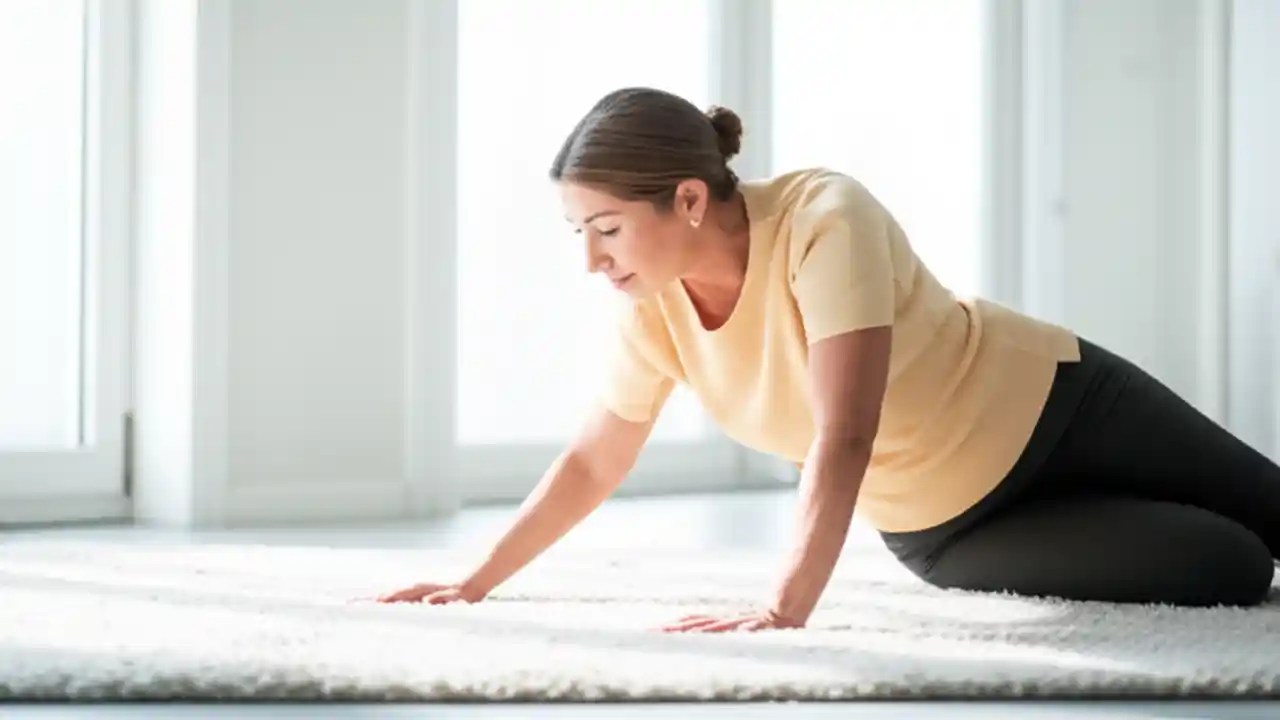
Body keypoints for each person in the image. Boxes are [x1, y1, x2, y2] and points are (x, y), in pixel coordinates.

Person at [375, 87, 1280, 631]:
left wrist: (785, 605)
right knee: (1230, 569)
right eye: (579, 232)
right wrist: (473, 579)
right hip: (951, 528)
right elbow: (594, 459)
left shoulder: (823, 218)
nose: (591, 259)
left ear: (688, 198)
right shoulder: (651, 311)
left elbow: (847, 429)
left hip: (1062, 405)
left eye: (605, 229)